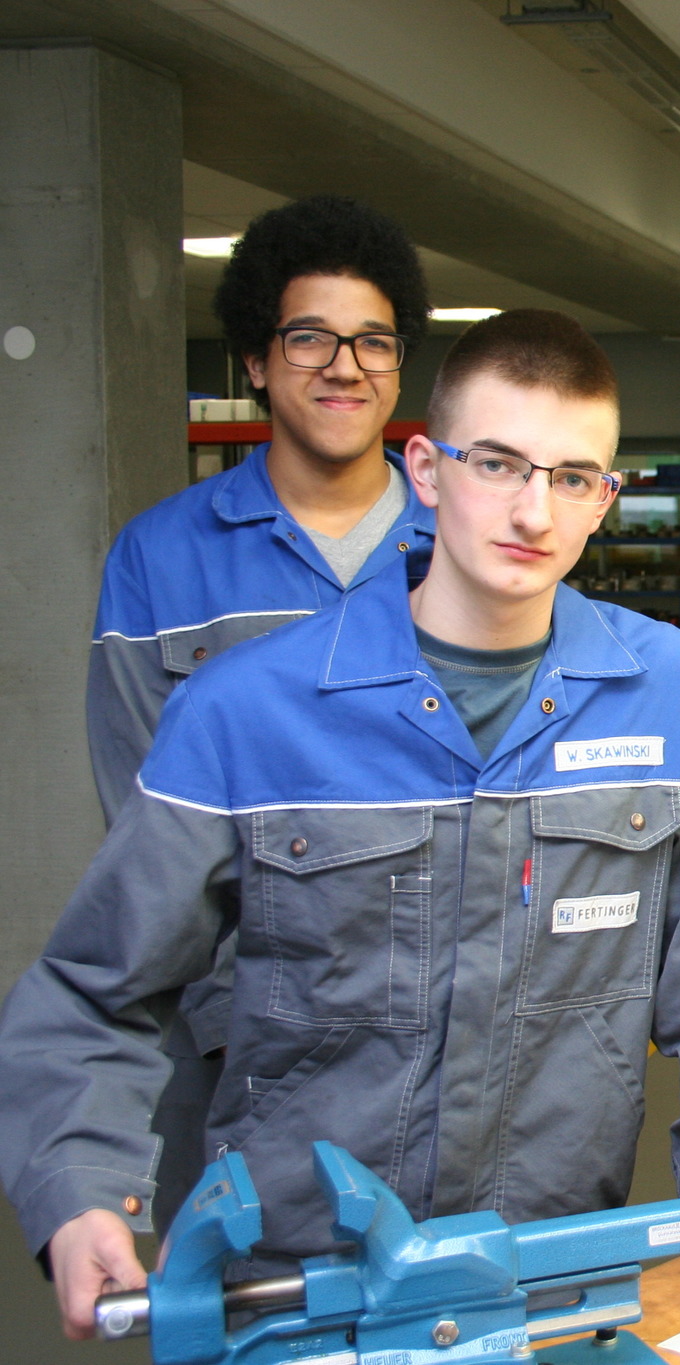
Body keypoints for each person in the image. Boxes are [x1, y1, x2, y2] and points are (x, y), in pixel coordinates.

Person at [0, 310, 680, 1340]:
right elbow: (98, 987)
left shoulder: (672, 694)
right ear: (426, 467)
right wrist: (79, 1183)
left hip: (544, 1269)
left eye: (572, 477)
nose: (533, 510)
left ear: (603, 499)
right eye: (497, 463)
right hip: (299, 1285)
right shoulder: (248, 710)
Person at [85, 194, 436, 1227]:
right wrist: (231, 1016)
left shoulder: (459, 543)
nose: (345, 366)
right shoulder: (163, 555)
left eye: (372, 340)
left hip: (439, 1022)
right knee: (259, 1307)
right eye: (309, 337)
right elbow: (144, 819)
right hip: (239, 1031)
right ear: (253, 358)